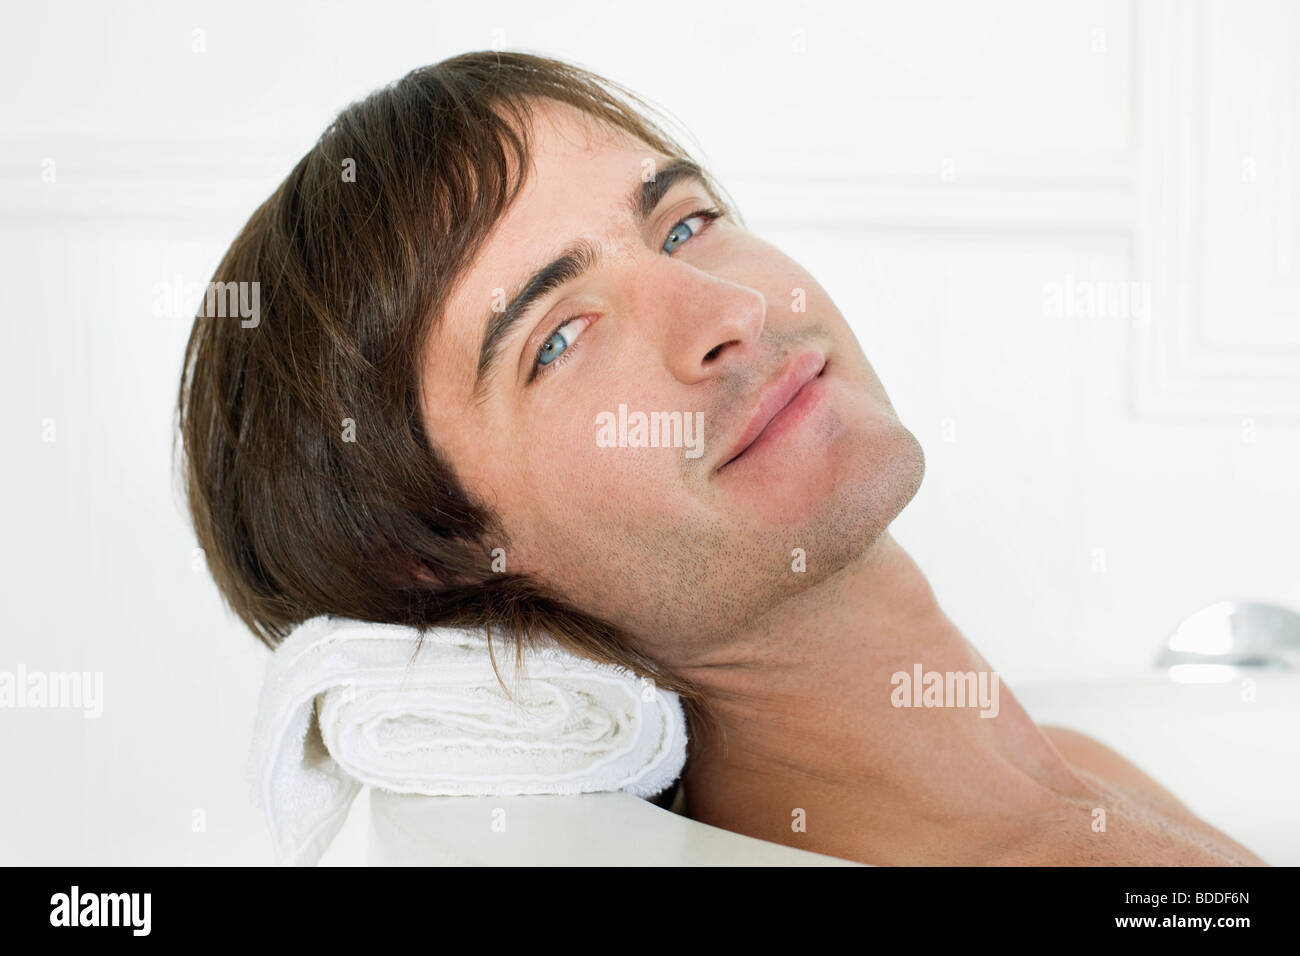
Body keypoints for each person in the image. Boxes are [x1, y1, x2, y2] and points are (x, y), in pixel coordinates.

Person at [176, 50, 1266, 866]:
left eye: (684, 225)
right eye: (558, 336)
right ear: (440, 564)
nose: (731, 311)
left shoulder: (1078, 773)